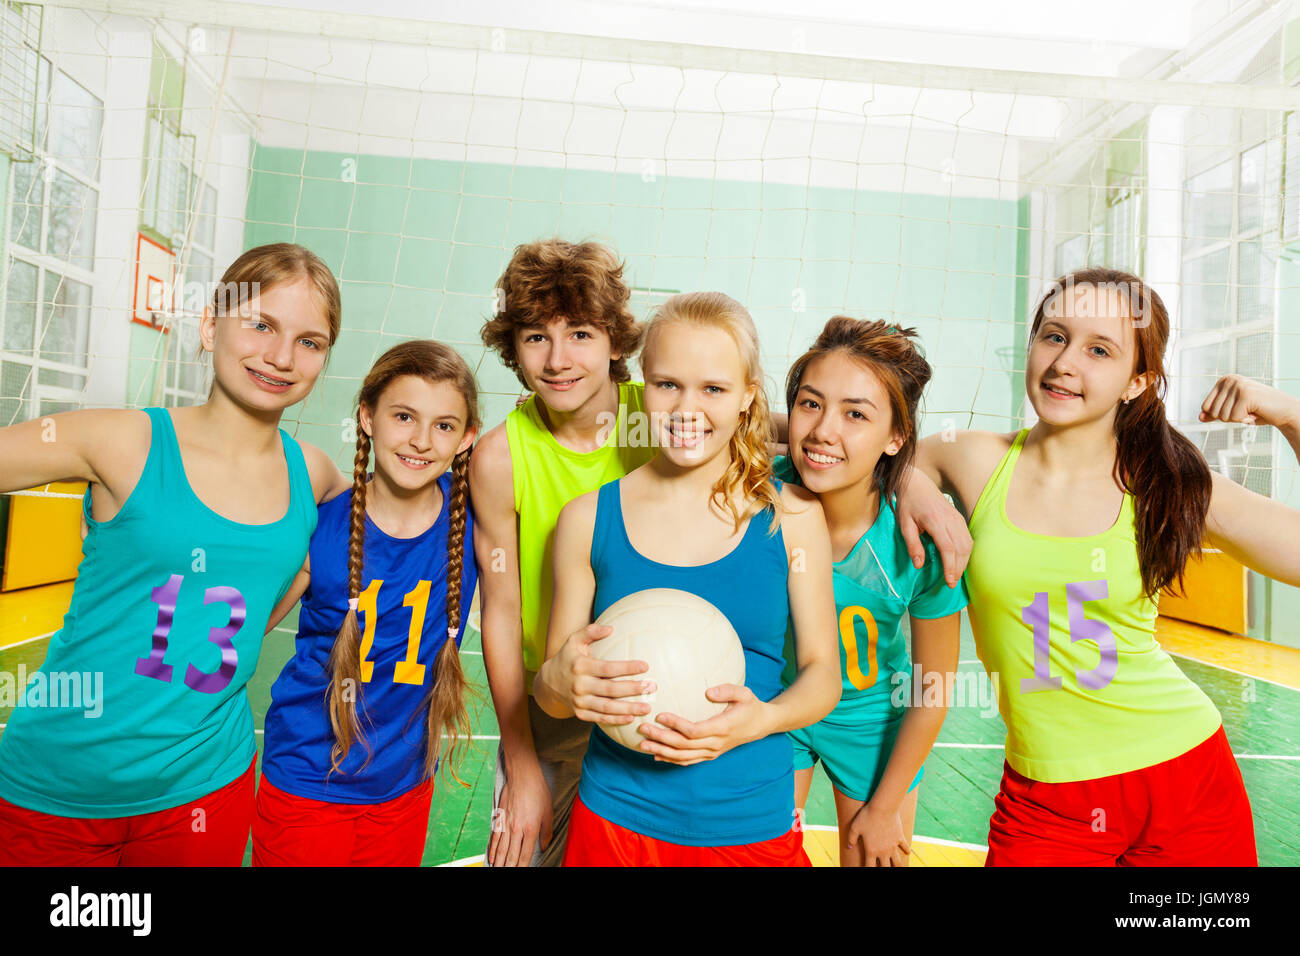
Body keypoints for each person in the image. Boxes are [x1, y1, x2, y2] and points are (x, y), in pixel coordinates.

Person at [900, 267, 1300, 865]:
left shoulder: (1169, 483)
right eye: (1054, 336)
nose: (1065, 362)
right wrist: (910, 480)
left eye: (1099, 350)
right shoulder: (972, 458)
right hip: (1046, 798)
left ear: (1136, 381)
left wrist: (1290, 414)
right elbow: (842, 445)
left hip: (1185, 779)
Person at [0, 243, 351, 865]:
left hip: (203, 792)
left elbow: (365, 543)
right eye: (262, 324)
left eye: (310, 341)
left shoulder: (315, 475)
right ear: (210, 324)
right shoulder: (121, 440)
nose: (280, 356)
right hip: (56, 786)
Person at [535, 291, 841, 866]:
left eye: (714, 389)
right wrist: (563, 682)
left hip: (749, 818)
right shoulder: (587, 518)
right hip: (617, 817)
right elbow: (551, 693)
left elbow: (825, 676)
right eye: (667, 384)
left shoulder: (793, 517)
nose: (685, 408)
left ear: (749, 394)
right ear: (642, 384)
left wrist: (763, 720)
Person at [252, 341, 479, 866]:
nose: (421, 440)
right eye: (403, 416)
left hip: (403, 786)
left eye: (444, 425)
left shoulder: (473, 523)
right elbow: (247, 629)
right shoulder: (322, 523)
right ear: (368, 417)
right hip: (308, 780)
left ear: (466, 439)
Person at [472, 238, 654, 866]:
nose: (557, 360)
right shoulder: (500, 456)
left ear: (615, 342)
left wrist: (909, 482)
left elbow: (790, 429)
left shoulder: (657, 421)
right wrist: (519, 759)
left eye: (579, 333)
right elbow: (499, 609)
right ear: (513, 348)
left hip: (652, 693)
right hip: (548, 704)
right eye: (535, 337)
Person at [777, 317, 967, 867]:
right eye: (810, 404)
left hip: (870, 720)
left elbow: (933, 689)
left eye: (855, 414)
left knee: (874, 855)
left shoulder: (920, 542)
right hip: (774, 708)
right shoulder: (753, 491)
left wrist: (885, 808)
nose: (823, 431)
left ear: (896, 437)